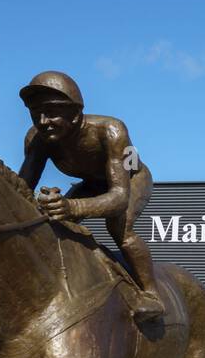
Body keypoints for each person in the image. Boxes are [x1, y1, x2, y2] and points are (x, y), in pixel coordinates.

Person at [17, 71, 164, 322]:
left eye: (52, 112)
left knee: (120, 229)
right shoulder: (37, 139)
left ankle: (152, 295)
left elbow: (118, 197)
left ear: (75, 114)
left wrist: (71, 206)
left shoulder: (111, 130)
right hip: (91, 183)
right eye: (36, 113)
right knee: (53, 226)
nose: (43, 121)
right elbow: (21, 189)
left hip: (129, 181)